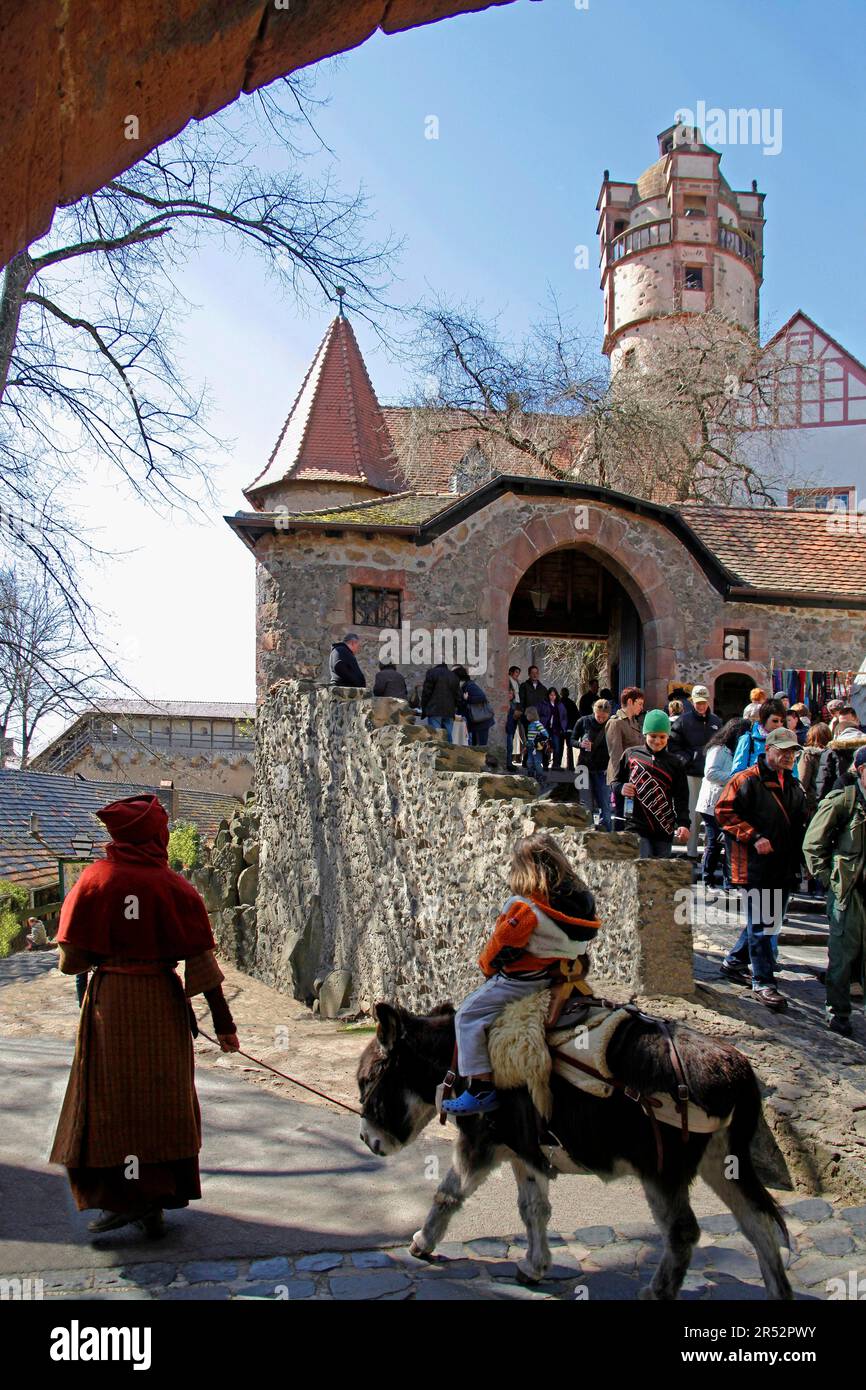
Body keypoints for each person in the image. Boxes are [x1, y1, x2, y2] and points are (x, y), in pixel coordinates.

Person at [49, 794, 240, 1235]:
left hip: (110, 1007)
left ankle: (127, 1198)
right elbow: (204, 969)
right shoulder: (175, 889)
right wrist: (225, 1027)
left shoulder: (94, 881)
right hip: (161, 1005)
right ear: (154, 836)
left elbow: (71, 960)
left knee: (115, 1105)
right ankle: (152, 1199)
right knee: (161, 1102)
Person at [441, 833, 600, 1114]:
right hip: (562, 978)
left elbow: (499, 949)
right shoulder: (582, 901)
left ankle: (480, 1088)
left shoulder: (524, 908)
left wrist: (486, 966)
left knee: (467, 1015)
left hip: (523, 981)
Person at [715, 728, 808, 1012]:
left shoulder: (793, 785)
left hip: (784, 863)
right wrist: (754, 836)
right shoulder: (746, 780)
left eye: (792, 751)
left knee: (768, 921)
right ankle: (764, 981)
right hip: (755, 865)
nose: (788, 756)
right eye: (782, 751)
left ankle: (734, 962)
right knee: (763, 923)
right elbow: (724, 813)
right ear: (768, 749)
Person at [803, 745, 866, 1037]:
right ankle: (838, 1012)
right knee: (842, 955)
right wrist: (829, 880)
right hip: (848, 891)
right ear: (861, 770)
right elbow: (813, 844)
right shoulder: (844, 800)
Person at [616, 709, 690, 858]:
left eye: (662, 737)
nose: (657, 741)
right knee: (643, 869)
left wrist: (683, 823)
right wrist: (621, 788)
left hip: (664, 827)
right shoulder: (631, 755)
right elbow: (615, 781)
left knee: (660, 874)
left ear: (668, 736)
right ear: (645, 735)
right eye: (653, 736)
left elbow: (682, 796)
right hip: (636, 825)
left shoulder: (675, 763)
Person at [695, 718, 750, 889]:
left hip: (729, 804)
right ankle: (707, 877)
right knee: (714, 842)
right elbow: (710, 773)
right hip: (712, 803)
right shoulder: (718, 749)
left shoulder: (737, 751)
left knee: (730, 844)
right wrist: (735, 779)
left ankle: (729, 882)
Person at [669, 684, 722, 860]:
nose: (701, 706)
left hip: (711, 776)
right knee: (692, 814)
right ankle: (691, 853)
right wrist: (689, 758)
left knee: (709, 815)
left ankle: (709, 853)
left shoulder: (716, 721)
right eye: (698, 702)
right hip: (691, 774)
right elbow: (674, 747)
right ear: (692, 701)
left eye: (704, 702)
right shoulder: (682, 721)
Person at [605, 686, 645, 826]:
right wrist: (620, 782)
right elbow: (616, 755)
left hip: (635, 777)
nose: (642, 707)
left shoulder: (634, 722)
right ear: (630, 702)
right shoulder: (616, 723)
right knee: (621, 820)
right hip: (622, 779)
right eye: (639, 703)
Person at [574, 698, 613, 830]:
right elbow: (571, 739)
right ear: (593, 712)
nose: (601, 719)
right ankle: (586, 833)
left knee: (605, 804)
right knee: (585, 803)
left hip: (603, 769)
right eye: (598, 716)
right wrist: (580, 744)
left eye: (604, 717)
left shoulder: (612, 724)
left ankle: (606, 832)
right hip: (583, 768)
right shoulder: (584, 721)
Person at [815, 709, 866, 803]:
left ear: (837, 733)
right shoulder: (864, 748)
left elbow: (823, 781)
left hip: (837, 799)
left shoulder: (831, 751)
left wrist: (821, 804)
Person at [731, 698, 786, 773]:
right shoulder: (748, 739)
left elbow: (794, 773)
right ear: (764, 719)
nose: (779, 724)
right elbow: (737, 774)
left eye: (782, 721)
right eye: (775, 721)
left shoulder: (786, 741)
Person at [420, 660, 462, 742]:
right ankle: (450, 753)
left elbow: (426, 693)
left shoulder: (432, 673)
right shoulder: (453, 676)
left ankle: (437, 753)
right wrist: (455, 707)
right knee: (450, 736)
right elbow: (458, 696)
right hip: (449, 711)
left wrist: (424, 707)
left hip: (434, 709)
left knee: (436, 735)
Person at [455, 666, 495, 747]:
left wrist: (467, 699)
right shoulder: (464, 686)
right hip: (475, 722)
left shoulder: (470, 685)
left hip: (482, 721)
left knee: (481, 746)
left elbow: (481, 697)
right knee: (475, 746)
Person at [798, 722, 832, 818]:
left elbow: (803, 781)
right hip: (828, 801)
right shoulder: (833, 754)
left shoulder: (808, 755)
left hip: (812, 804)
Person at [524, 706, 550, 786]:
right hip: (530, 747)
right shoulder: (530, 724)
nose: (526, 716)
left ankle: (540, 776)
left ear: (531, 715)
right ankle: (531, 776)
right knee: (529, 762)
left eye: (527, 715)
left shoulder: (538, 724)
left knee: (537, 762)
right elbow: (529, 737)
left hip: (536, 747)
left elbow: (546, 734)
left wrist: (539, 741)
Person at [547, 688, 569, 769]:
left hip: (556, 728)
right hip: (546, 728)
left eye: (554, 695)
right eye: (551, 695)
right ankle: (545, 763)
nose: (552, 697)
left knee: (557, 747)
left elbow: (564, 716)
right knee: (546, 746)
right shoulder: (545, 704)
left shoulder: (560, 705)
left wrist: (563, 726)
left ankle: (556, 764)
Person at [506, 666, 523, 771]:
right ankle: (508, 762)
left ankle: (510, 761)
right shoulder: (507, 681)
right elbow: (509, 696)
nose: (517, 674)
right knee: (510, 734)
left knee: (513, 736)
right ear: (511, 672)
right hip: (511, 708)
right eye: (516, 672)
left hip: (516, 708)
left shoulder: (517, 682)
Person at [560, 687, 579, 771]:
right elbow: (577, 716)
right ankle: (570, 765)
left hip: (560, 728)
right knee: (569, 747)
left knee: (559, 747)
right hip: (569, 728)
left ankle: (557, 765)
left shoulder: (558, 703)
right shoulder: (571, 703)